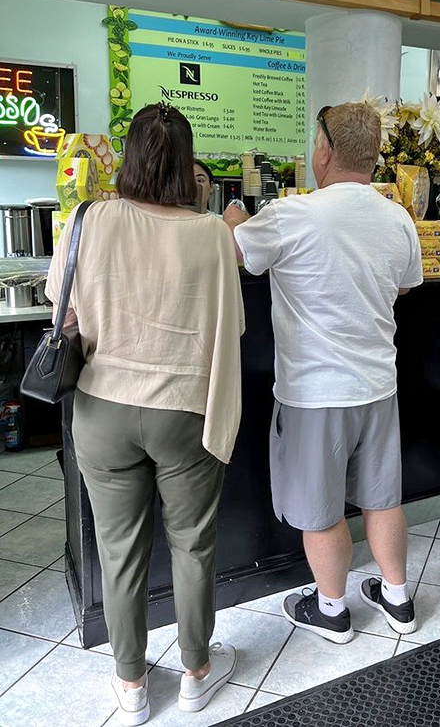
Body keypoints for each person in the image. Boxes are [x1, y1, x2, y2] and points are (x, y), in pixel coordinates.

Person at [46, 103, 245, 725]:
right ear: (189, 166)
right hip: (184, 413)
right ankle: (195, 673)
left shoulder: (88, 218)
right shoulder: (212, 233)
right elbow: (232, 326)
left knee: (119, 550)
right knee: (191, 545)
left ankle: (131, 685)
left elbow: (62, 306)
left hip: (102, 410)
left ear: (127, 158)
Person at [224, 102, 423, 643]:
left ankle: (332, 610)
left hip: (315, 394)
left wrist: (236, 218)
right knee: (383, 499)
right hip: (379, 387)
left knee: (321, 509)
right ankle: (397, 599)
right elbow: (406, 285)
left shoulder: (294, 215)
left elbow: (236, 251)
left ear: (325, 151)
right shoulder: (398, 217)